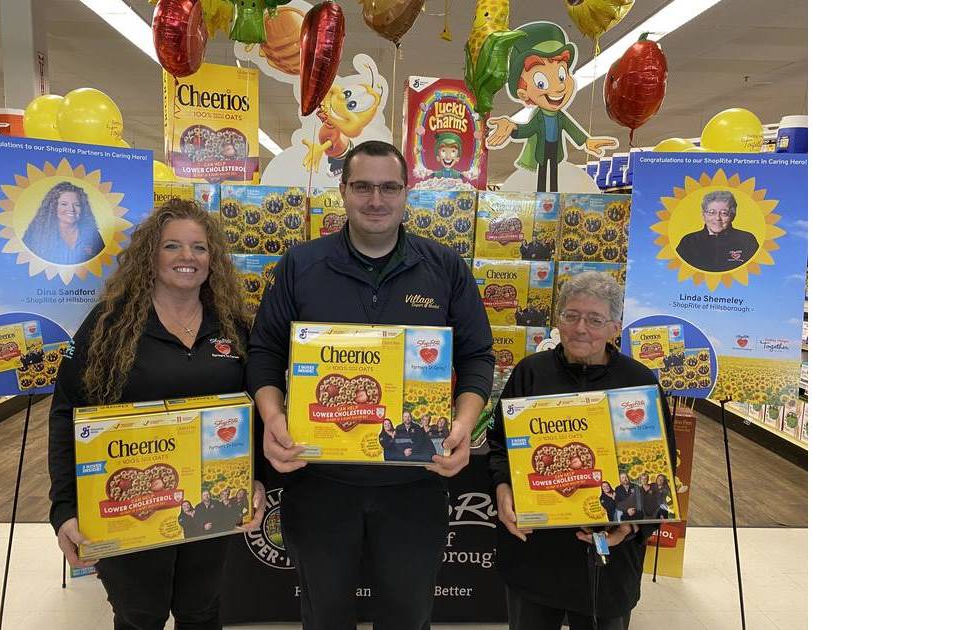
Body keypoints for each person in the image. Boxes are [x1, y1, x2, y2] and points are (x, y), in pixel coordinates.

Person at [246, 139, 495, 629]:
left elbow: (477, 356)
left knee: (407, 615)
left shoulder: (445, 267)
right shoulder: (301, 265)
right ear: (342, 190)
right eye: (362, 187)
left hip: (414, 483)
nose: (376, 200)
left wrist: (463, 424)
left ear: (406, 193)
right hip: (319, 481)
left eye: (388, 188)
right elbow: (265, 353)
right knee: (324, 615)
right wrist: (273, 417)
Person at [46, 198, 267, 630]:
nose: (188, 257)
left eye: (199, 247)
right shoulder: (108, 326)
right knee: (139, 615)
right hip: (131, 502)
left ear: (213, 259)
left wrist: (256, 478)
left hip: (211, 502)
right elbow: (66, 415)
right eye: (172, 246)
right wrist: (65, 509)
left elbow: (255, 409)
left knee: (202, 611)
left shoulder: (233, 327)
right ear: (150, 254)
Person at [487, 271, 676, 630]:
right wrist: (502, 486)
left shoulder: (638, 382)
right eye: (571, 316)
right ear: (558, 320)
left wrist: (631, 527)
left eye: (595, 319)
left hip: (608, 559)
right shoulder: (530, 373)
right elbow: (499, 444)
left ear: (615, 328)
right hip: (536, 552)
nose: (580, 329)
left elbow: (660, 469)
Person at [485, 23, 617, 192]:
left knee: (553, 172)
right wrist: (513, 128)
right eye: (541, 82)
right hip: (542, 150)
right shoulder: (538, 117)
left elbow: (571, 128)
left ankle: (553, 194)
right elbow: (528, 129)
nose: (559, 87)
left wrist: (586, 141)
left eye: (561, 76)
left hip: (556, 149)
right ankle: (541, 194)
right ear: (523, 93)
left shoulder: (560, 116)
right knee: (542, 173)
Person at [674, 190, 760, 272]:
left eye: (724, 213)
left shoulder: (747, 240)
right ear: (703, 215)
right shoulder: (688, 242)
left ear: (733, 215)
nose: (717, 218)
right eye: (712, 212)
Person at [22, 181, 107, 264]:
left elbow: (103, 264)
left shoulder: (93, 235)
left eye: (77, 205)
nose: (71, 209)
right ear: (52, 207)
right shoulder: (35, 234)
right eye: (64, 204)